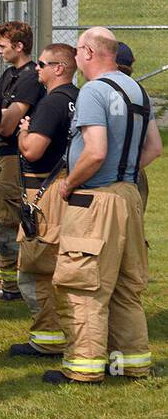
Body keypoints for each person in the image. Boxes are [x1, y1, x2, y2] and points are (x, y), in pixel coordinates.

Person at [46, 27, 160, 386]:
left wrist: (70, 182)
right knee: (127, 286)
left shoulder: (93, 91)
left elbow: (94, 150)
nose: (76, 60)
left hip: (96, 200)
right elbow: (154, 148)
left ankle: (84, 366)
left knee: (84, 286)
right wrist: (123, 170)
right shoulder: (136, 88)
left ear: (89, 52)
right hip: (129, 195)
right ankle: (132, 361)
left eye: (78, 53)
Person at [10, 43, 79, 358]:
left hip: (46, 195)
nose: (36, 68)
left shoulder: (51, 104)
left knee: (36, 266)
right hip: (68, 191)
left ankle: (48, 338)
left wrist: (23, 133)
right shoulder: (79, 99)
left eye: (42, 64)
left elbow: (34, 150)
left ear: (59, 68)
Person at [0, 21, 45, 303]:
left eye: (3, 45)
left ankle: (11, 286)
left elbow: (8, 125)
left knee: (5, 219)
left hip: (14, 156)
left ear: (19, 46)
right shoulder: (10, 75)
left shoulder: (30, 78)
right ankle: (2, 279)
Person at [115, 41, 151, 209]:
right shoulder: (140, 92)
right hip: (136, 173)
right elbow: (154, 147)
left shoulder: (102, 92)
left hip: (110, 179)